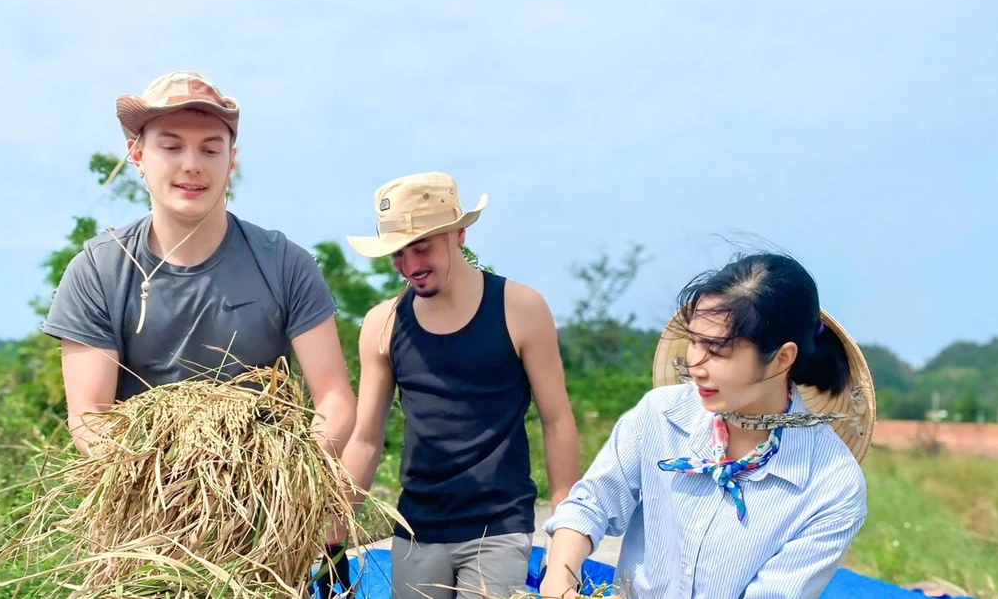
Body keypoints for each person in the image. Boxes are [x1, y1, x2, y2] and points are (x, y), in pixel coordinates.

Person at [41, 71, 356, 465]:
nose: (192, 166)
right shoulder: (98, 270)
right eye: (171, 147)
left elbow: (334, 399)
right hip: (142, 503)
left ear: (231, 161)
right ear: (137, 156)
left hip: (265, 504)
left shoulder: (284, 262)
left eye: (210, 150)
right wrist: (168, 483)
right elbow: (91, 417)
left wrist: (285, 476)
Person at [538, 252, 874, 599]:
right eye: (695, 340)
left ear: (781, 358)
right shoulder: (660, 415)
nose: (695, 362)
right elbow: (590, 504)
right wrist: (559, 581)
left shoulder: (831, 485)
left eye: (717, 349)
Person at [326, 171, 583, 599]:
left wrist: (565, 529)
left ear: (459, 233)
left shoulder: (520, 308)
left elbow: (557, 420)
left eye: (422, 247)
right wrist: (332, 535)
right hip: (416, 530)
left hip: (498, 526)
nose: (410, 267)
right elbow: (367, 439)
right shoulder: (382, 324)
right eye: (397, 254)